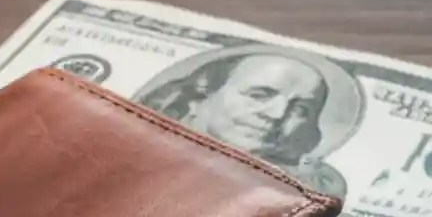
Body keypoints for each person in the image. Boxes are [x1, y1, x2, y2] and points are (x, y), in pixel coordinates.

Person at [138, 52, 348, 198]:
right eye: (258, 95)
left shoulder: (310, 189)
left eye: (301, 110)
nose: (277, 114)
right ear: (200, 97)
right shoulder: (140, 155)